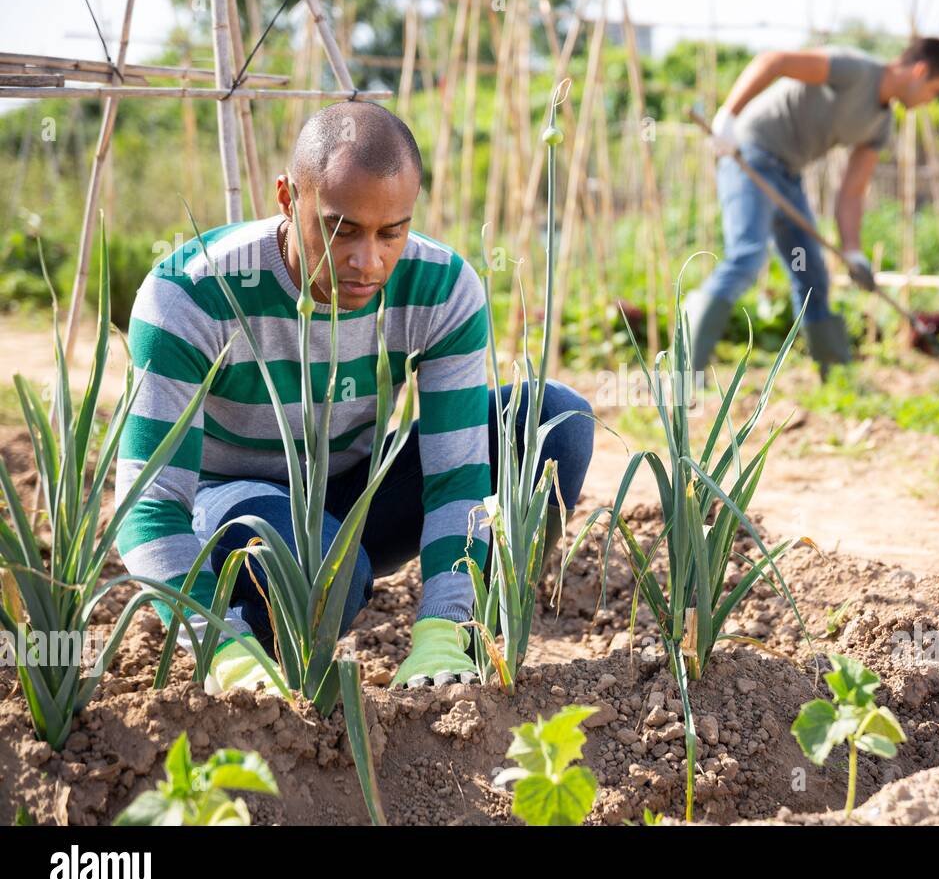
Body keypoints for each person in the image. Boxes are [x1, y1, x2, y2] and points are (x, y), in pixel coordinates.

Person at [114, 102, 593, 693]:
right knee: (320, 578)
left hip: (362, 486)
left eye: (392, 232)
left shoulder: (440, 287)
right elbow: (148, 503)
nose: (368, 263)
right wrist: (218, 645)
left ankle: (463, 646)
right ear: (288, 199)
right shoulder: (191, 293)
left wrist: (446, 619)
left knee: (552, 422)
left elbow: (455, 475)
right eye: (341, 230)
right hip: (240, 506)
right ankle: (265, 645)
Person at [688, 37, 939, 374]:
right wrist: (728, 116)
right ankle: (685, 368)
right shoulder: (855, 71)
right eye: (934, 91)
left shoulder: (881, 125)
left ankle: (835, 378)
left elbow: (851, 191)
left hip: (788, 174)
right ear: (919, 71)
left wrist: (854, 251)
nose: (929, 101)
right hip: (748, 154)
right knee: (747, 257)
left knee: (812, 273)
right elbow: (774, 59)